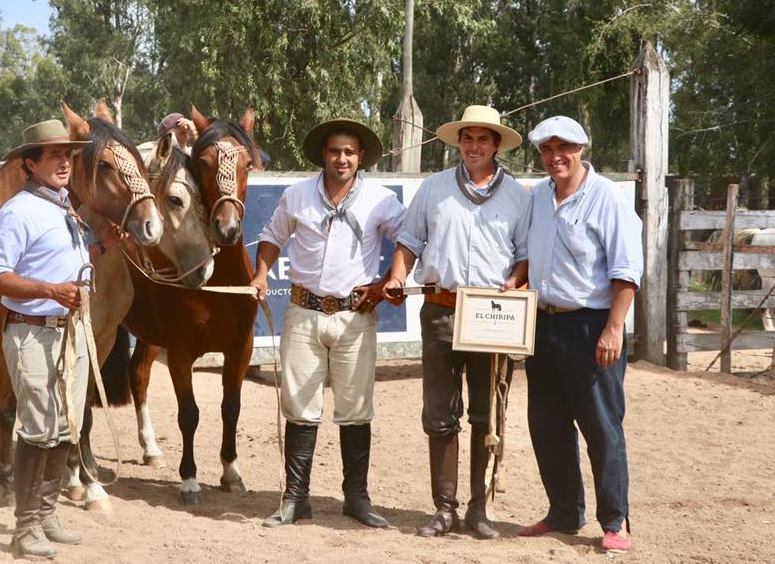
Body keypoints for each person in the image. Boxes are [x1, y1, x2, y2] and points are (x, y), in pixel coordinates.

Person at [382, 105, 532, 540]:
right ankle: (444, 509)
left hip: (492, 315)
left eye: (484, 139)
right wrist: (396, 274)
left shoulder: (519, 197)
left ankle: (479, 510)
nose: (474, 146)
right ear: (458, 142)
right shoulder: (433, 189)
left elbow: (524, 255)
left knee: (487, 415)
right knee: (440, 414)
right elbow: (409, 241)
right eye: (468, 138)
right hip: (441, 311)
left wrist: (515, 280)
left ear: (496, 144)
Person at [251, 119, 406, 528]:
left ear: (360, 158)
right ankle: (295, 498)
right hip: (303, 313)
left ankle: (356, 497)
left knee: (355, 409)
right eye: (335, 151)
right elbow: (271, 235)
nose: (342, 159)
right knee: (299, 407)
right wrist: (261, 273)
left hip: (355, 316)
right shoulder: (298, 194)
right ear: (324, 153)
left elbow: (409, 237)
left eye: (350, 152)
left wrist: (390, 280)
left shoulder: (379, 199)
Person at [0, 119, 121, 559]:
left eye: (68, 155)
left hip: (70, 334)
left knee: (66, 427)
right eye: (54, 156)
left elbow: (63, 265)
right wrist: (49, 291)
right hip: (33, 333)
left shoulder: (65, 207)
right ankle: (25, 528)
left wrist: (101, 248)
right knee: (39, 430)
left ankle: (45, 515)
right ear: (30, 163)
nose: (65, 162)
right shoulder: (17, 210)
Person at [518, 115, 642, 553]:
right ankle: (564, 512)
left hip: (591, 324)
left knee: (601, 424)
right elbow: (527, 258)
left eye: (563, 148)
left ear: (581, 149)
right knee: (546, 424)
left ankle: (614, 521)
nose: (555, 157)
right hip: (544, 322)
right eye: (547, 150)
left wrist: (613, 329)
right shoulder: (537, 199)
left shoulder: (607, 198)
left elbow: (626, 270)